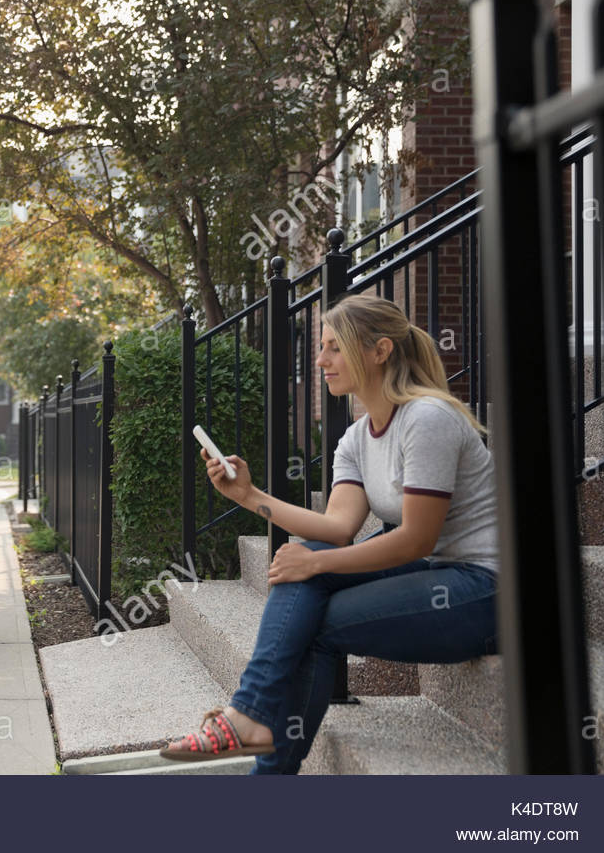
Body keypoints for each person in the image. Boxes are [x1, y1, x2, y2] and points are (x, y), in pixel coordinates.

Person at [159, 293, 498, 773]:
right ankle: (248, 719)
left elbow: (417, 538)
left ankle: (254, 738)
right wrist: (249, 496)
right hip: (435, 569)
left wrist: (315, 562)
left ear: (380, 350)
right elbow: (339, 528)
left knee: (312, 606)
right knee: (311, 558)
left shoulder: (428, 419)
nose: (321, 360)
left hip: (484, 588)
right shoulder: (357, 437)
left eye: (335, 347)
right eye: (322, 348)